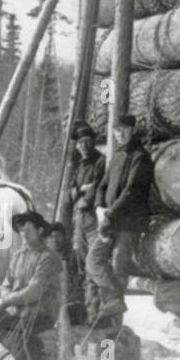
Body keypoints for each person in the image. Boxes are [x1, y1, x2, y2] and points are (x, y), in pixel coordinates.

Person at [86, 114, 153, 332]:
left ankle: (114, 327)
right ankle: (113, 301)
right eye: (116, 130)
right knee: (94, 260)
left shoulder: (140, 157)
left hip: (127, 224)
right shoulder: (116, 155)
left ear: (133, 130)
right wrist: (98, 208)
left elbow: (132, 191)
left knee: (118, 268)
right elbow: (103, 185)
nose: (120, 133)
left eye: (124, 129)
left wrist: (109, 214)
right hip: (109, 221)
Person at [0, 212, 61, 360]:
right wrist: (7, 298)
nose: (23, 235)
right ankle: (31, 357)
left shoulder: (49, 258)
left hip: (41, 310)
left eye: (27, 230)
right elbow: (6, 283)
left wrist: (8, 301)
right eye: (20, 231)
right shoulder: (18, 255)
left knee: (20, 332)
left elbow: (34, 291)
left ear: (40, 230)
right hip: (19, 309)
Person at [67, 121, 105, 290]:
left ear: (93, 141)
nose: (83, 146)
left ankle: (98, 307)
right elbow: (68, 195)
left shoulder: (101, 162)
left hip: (93, 218)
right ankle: (89, 307)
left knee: (93, 262)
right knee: (81, 260)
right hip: (79, 218)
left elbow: (93, 192)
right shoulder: (80, 166)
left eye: (87, 141)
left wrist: (79, 193)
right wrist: (81, 189)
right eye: (80, 142)